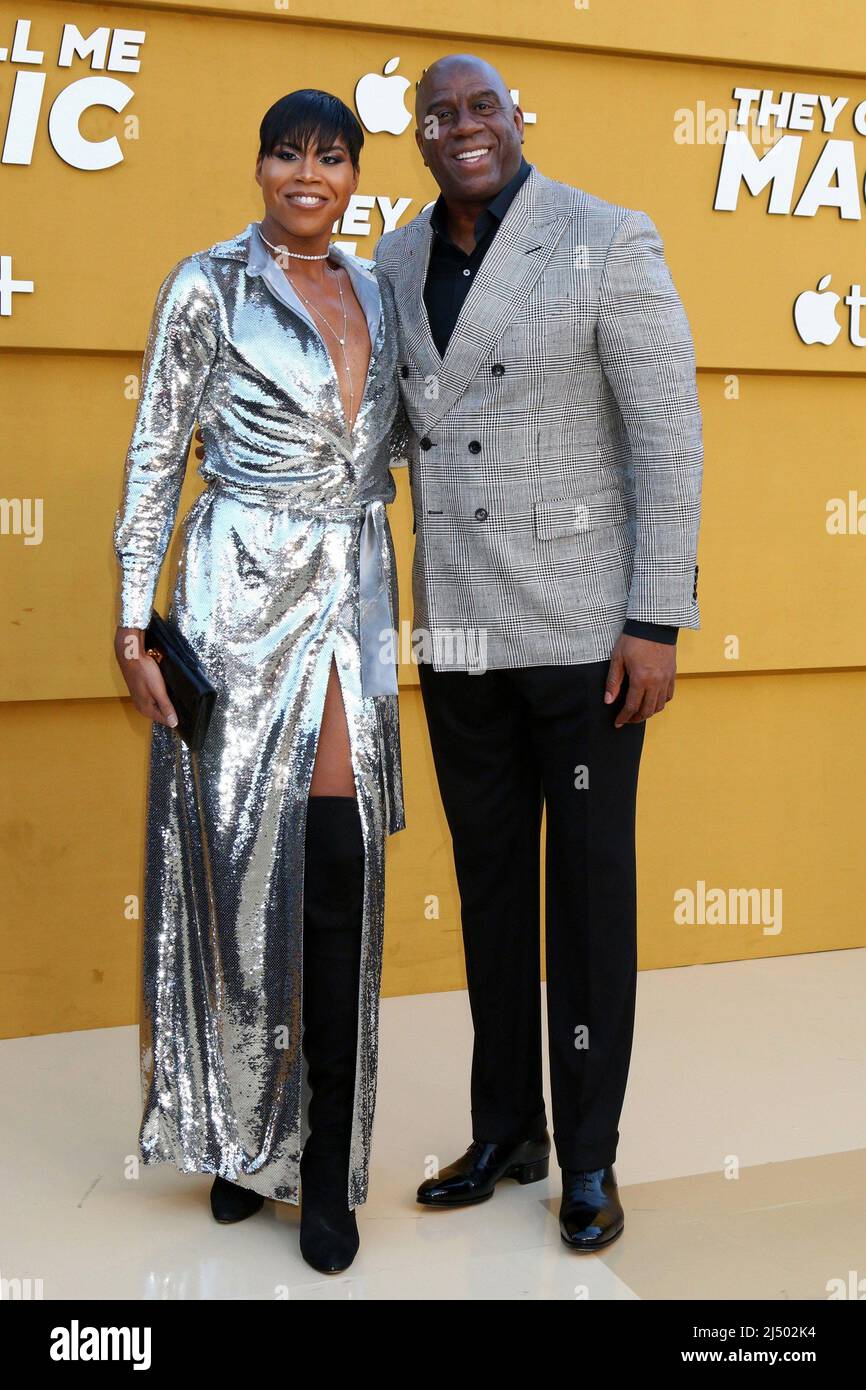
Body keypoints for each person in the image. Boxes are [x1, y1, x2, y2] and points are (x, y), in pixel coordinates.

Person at [374, 54, 703, 1252]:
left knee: (586, 901)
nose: (461, 128)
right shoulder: (397, 259)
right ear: (417, 138)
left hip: (581, 635)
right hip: (458, 627)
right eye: (437, 115)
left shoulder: (605, 237)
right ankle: (506, 1125)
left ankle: (590, 1156)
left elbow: (669, 438)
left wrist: (654, 618)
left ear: (513, 119)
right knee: (491, 892)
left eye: (479, 108)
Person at [113, 89, 407, 1275]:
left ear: (351, 176)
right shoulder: (208, 284)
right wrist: (134, 624)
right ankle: (240, 1141)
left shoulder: (379, 291)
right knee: (236, 882)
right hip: (236, 595)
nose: (306, 173)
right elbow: (154, 450)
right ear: (258, 166)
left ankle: (322, 1167)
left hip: (349, 596)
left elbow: (394, 446)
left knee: (335, 862)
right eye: (286, 152)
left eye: (329, 157)